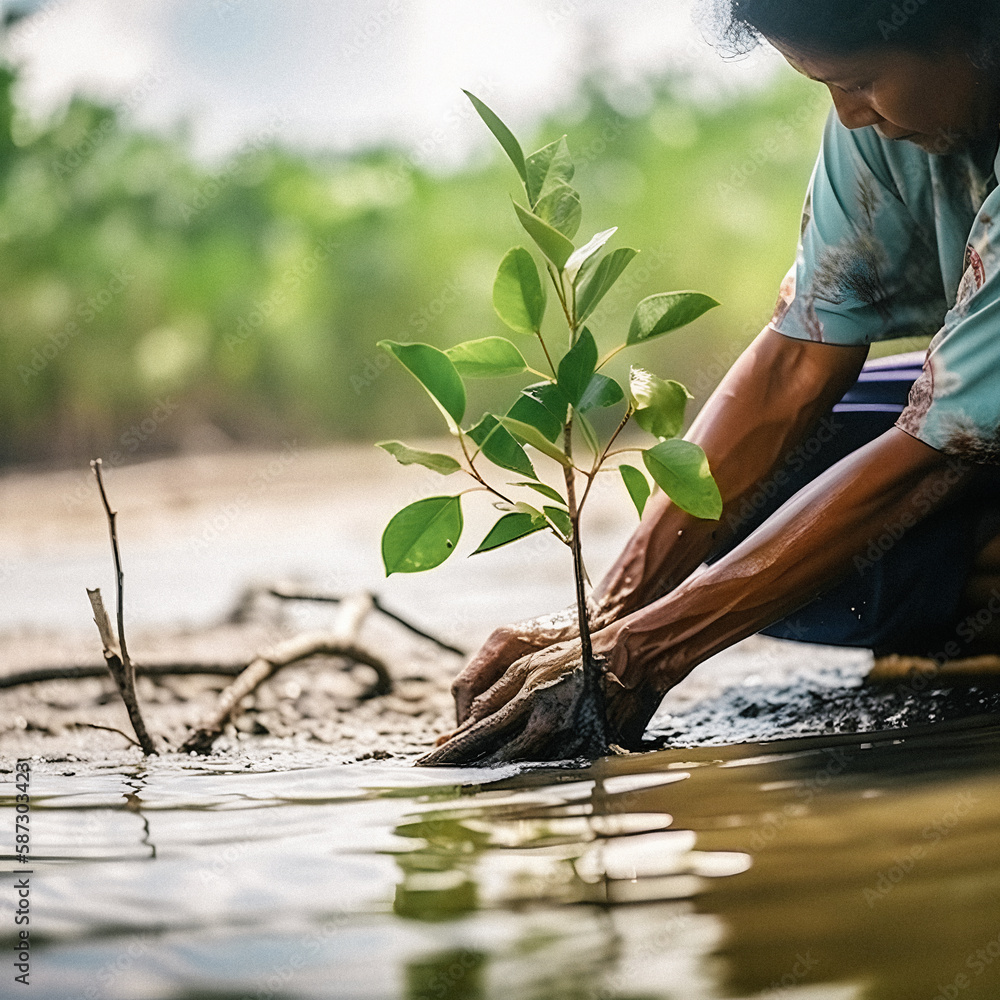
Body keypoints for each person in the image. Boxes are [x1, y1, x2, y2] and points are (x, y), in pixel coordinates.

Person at [422, 0, 1000, 764]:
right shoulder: (883, 131)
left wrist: (646, 653)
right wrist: (608, 616)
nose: (849, 114)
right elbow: (797, 365)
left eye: (861, 80)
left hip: (964, 445)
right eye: (827, 85)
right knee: (759, 502)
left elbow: (945, 447)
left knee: (836, 524)